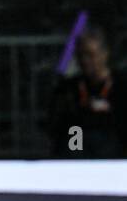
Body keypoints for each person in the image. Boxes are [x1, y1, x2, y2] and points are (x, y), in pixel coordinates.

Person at [49, 25, 126, 158]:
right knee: (76, 135)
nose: (85, 61)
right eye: (80, 55)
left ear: (104, 54)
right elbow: (57, 124)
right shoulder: (69, 88)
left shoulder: (121, 85)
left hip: (114, 150)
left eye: (90, 55)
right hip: (78, 147)